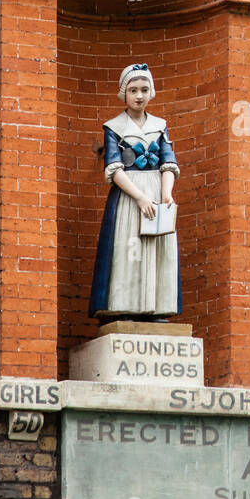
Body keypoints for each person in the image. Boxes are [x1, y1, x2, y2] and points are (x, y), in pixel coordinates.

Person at [89, 63, 181, 320]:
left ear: (151, 93)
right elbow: (114, 168)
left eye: (144, 89)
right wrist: (139, 197)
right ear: (124, 94)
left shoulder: (160, 126)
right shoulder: (114, 128)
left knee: (156, 249)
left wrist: (166, 193)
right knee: (128, 251)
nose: (139, 95)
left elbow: (168, 163)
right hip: (129, 198)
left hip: (155, 192)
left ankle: (155, 306)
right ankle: (123, 306)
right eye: (133, 90)